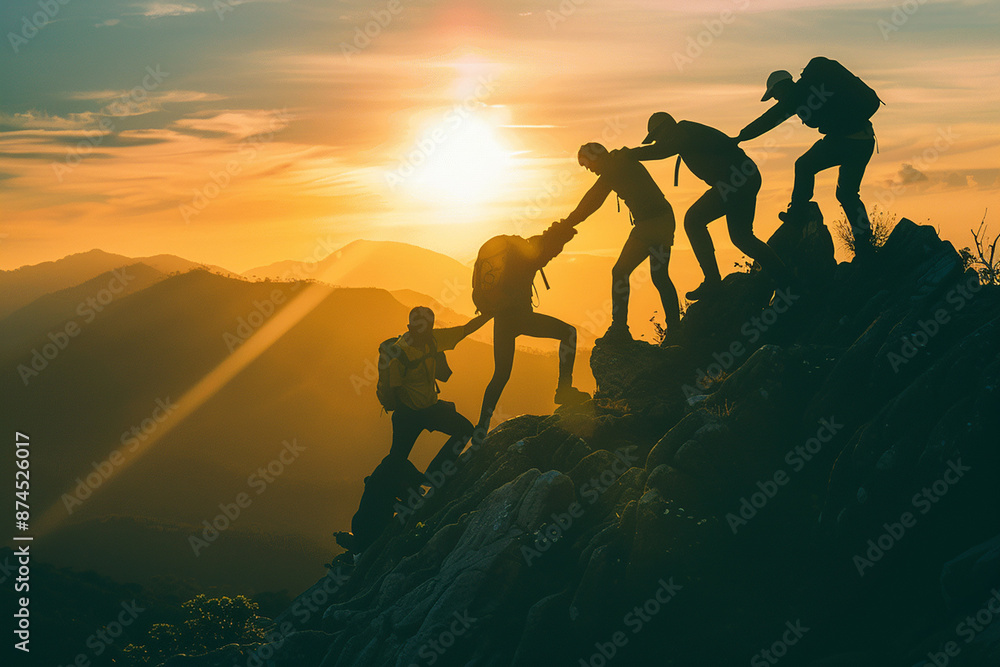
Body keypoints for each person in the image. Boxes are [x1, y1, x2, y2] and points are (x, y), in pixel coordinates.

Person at [343, 306, 490, 553]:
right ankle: (398, 496)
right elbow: (394, 391)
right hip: (410, 415)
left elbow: (465, 330)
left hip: (424, 411)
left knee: (462, 431)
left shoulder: (432, 340)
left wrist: (490, 313)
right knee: (398, 459)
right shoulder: (400, 352)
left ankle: (430, 478)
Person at [626, 112, 791, 300]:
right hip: (741, 179)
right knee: (741, 237)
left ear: (665, 128)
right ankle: (785, 280)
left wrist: (629, 154)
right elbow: (663, 148)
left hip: (736, 181)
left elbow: (661, 151)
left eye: (656, 137)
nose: (657, 141)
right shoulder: (685, 132)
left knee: (694, 220)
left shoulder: (682, 133)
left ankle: (714, 282)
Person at [735, 58, 881, 253]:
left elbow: (770, 119)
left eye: (774, 95)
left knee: (804, 165)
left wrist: (740, 137)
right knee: (847, 193)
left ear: (781, 87)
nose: (776, 99)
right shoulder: (809, 89)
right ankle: (864, 243)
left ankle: (797, 215)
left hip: (845, 141)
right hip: (864, 141)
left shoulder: (797, 94)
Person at [475, 222, 590, 433]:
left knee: (500, 374)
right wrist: (565, 231)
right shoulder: (530, 256)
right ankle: (564, 389)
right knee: (568, 333)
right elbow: (549, 249)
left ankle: (481, 426)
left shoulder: (514, 254)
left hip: (502, 320)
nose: (551, 256)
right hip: (521, 318)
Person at [562, 142, 679, 342]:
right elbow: (593, 199)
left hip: (650, 224)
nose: (589, 169)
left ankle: (619, 330)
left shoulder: (613, 168)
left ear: (596, 157)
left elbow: (592, 200)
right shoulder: (618, 162)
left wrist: (567, 223)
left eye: (587, 164)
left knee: (620, 272)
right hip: (664, 220)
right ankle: (676, 331)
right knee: (660, 277)